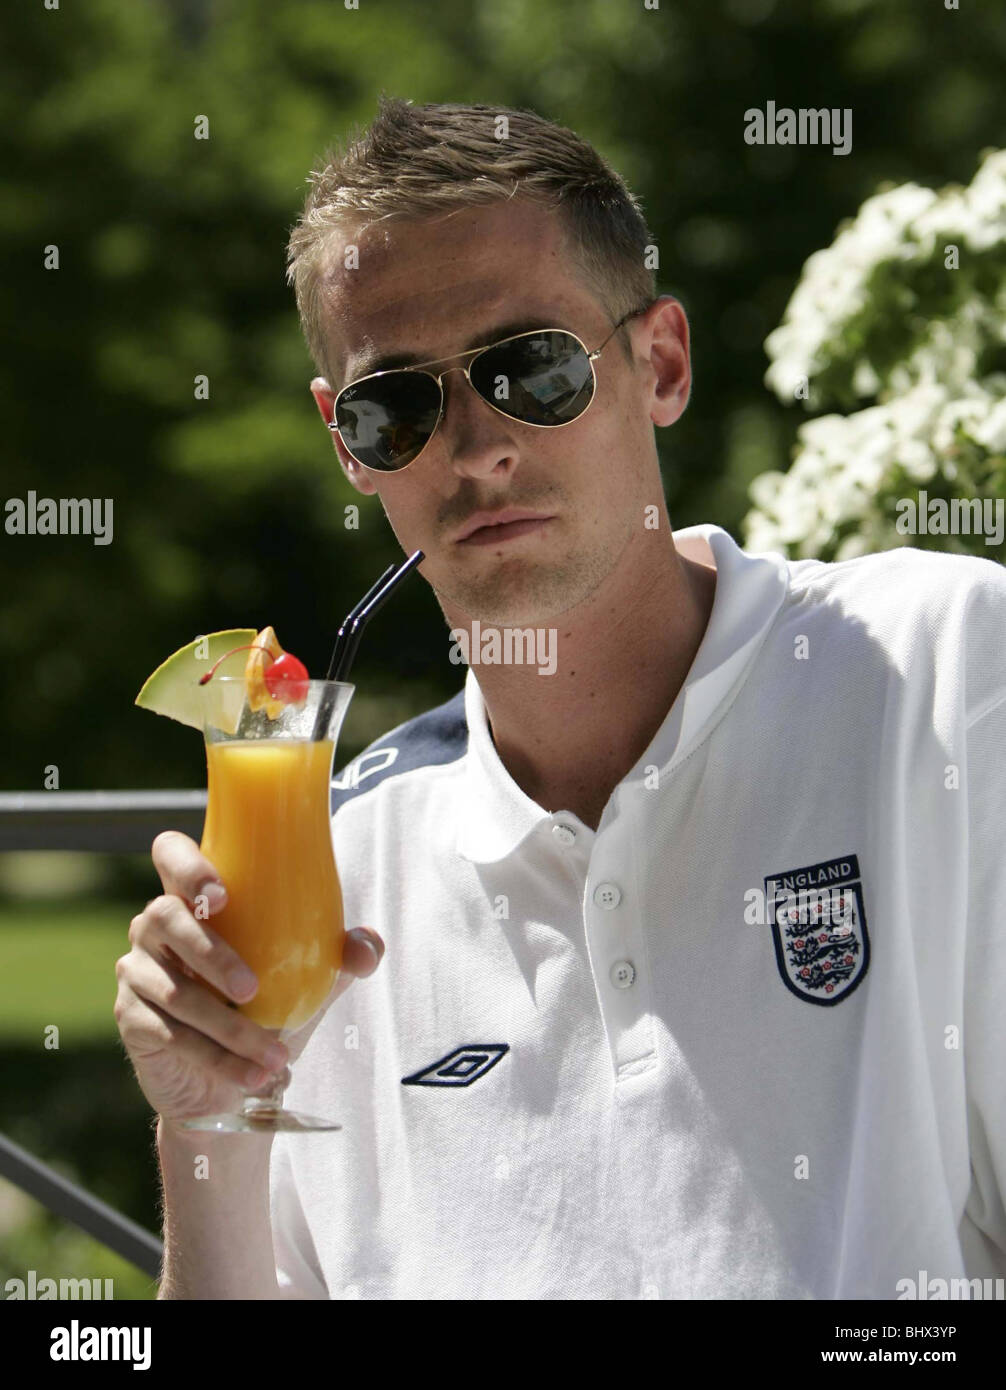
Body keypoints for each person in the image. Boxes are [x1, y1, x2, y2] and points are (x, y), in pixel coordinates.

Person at [115, 97, 1006, 1300]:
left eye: (528, 367)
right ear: (348, 446)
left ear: (661, 363)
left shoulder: (944, 673)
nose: (473, 449)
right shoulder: (334, 873)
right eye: (399, 408)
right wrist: (204, 1126)